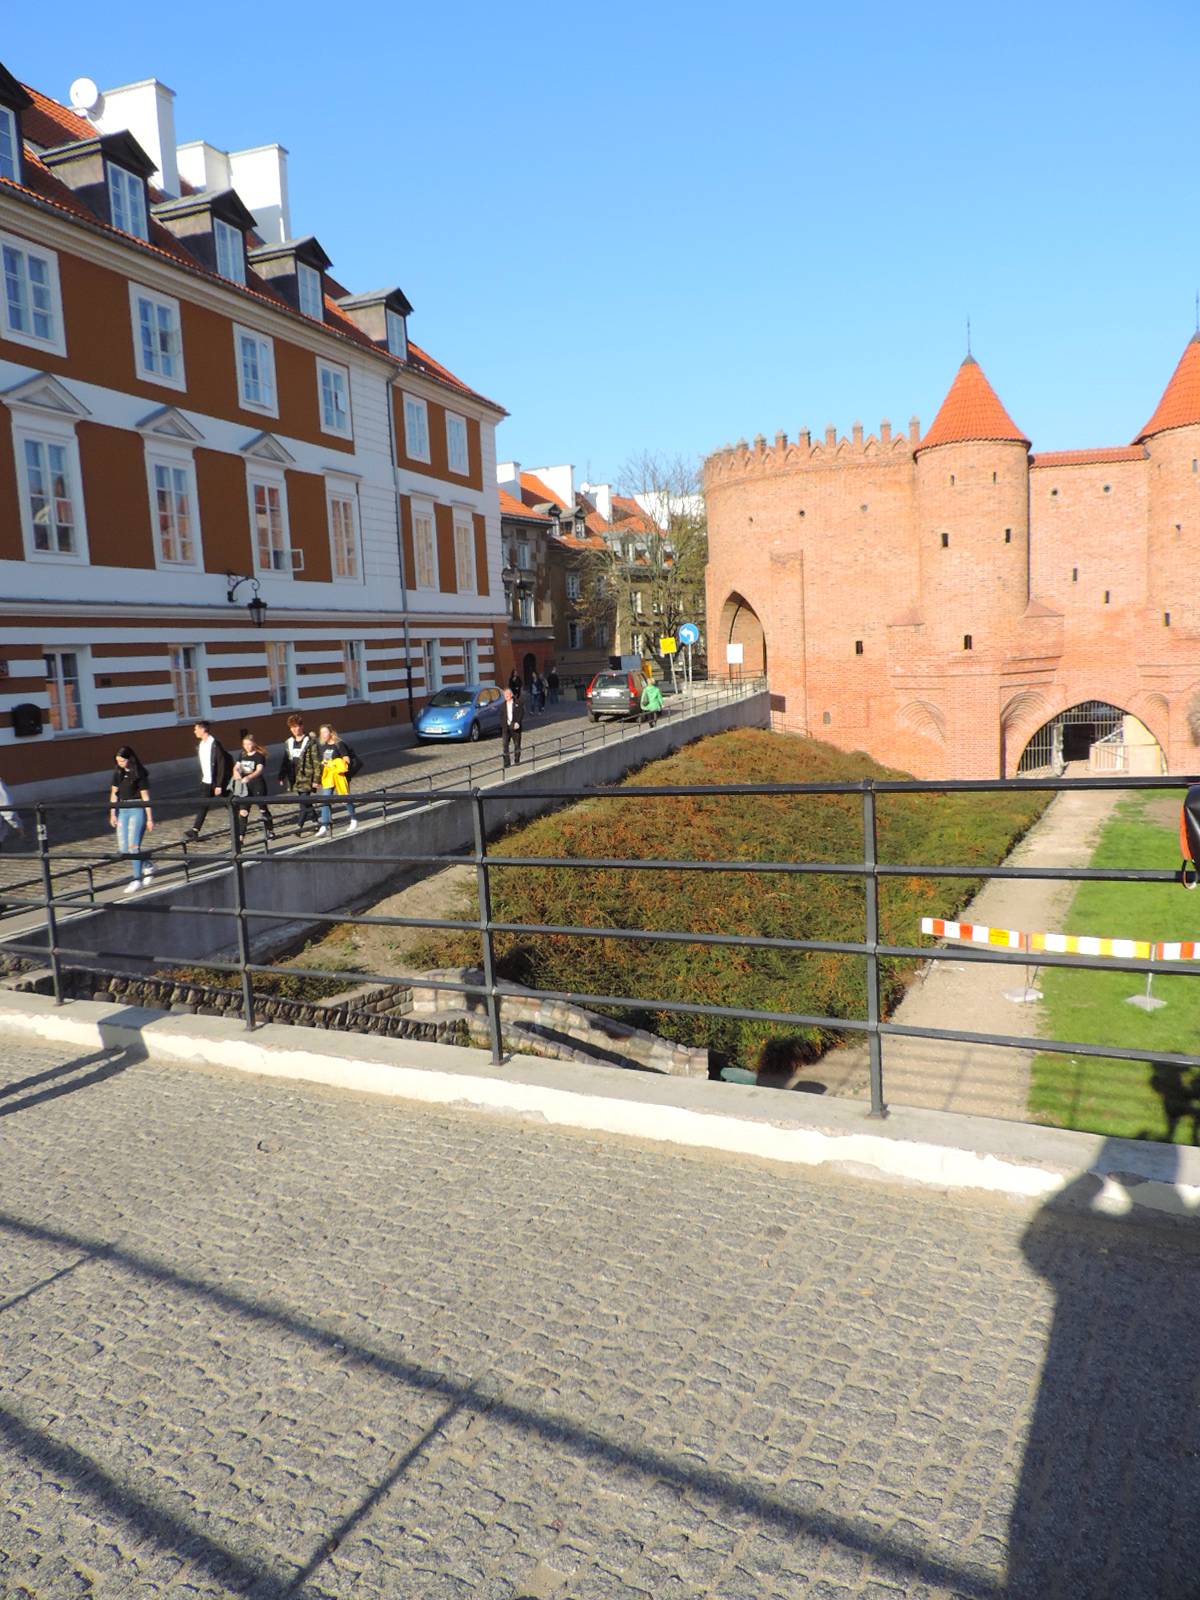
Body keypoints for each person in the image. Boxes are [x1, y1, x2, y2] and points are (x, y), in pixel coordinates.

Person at [108, 746, 154, 893]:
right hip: (123, 809)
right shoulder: (118, 773)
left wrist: (149, 818)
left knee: (134, 846)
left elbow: (146, 797)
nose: (120, 763)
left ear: (129, 759)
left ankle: (136, 879)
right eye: (118, 761)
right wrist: (112, 813)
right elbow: (114, 793)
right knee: (123, 848)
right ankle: (147, 865)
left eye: (122, 760)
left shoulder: (139, 773)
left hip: (137, 808)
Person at [183, 720, 232, 841]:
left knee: (229, 803)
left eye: (196, 729)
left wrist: (219, 784)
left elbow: (221, 765)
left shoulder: (215, 744)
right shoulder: (201, 745)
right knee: (203, 805)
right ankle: (195, 830)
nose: (194, 731)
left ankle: (239, 821)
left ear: (202, 729)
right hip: (206, 782)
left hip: (216, 782)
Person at [277, 713, 320, 834]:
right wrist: (281, 774)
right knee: (305, 800)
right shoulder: (289, 742)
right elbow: (285, 759)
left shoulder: (310, 742)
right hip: (294, 777)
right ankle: (315, 821)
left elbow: (316, 761)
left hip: (306, 775)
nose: (295, 730)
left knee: (303, 801)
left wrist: (317, 779)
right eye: (292, 727)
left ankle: (299, 826)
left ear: (302, 726)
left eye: (297, 726)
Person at [232, 731, 275, 849]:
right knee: (243, 812)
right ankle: (241, 837)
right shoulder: (242, 754)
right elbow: (236, 766)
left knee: (262, 808)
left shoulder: (259, 756)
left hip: (257, 784)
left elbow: (259, 770)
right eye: (244, 744)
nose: (246, 747)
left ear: (254, 744)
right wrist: (236, 773)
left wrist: (249, 777)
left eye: (249, 744)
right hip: (245, 787)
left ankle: (270, 829)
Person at [316, 723, 357, 836]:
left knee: (344, 796)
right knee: (325, 799)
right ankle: (324, 825)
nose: (323, 735)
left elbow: (346, 758)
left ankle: (353, 818)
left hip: (339, 774)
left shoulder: (339, 744)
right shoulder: (322, 746)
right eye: (322, 733)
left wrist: (337, 763)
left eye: (325, 732)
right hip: (328, 775)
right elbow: (321, 759)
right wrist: (323, 763)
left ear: (331, 732)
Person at [501, 686, 524, 769]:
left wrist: (518, 723)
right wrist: (503, 726)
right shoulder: (503, 705)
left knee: (517, 744)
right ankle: (507, 762)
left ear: (511, 695)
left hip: (515, 727)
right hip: (506, 728)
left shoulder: (517, 703)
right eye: (504, 695)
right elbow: (502, 716)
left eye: (507, 695)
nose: (505, 697)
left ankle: (517, 760)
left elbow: (521, 713)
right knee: (505, 745)